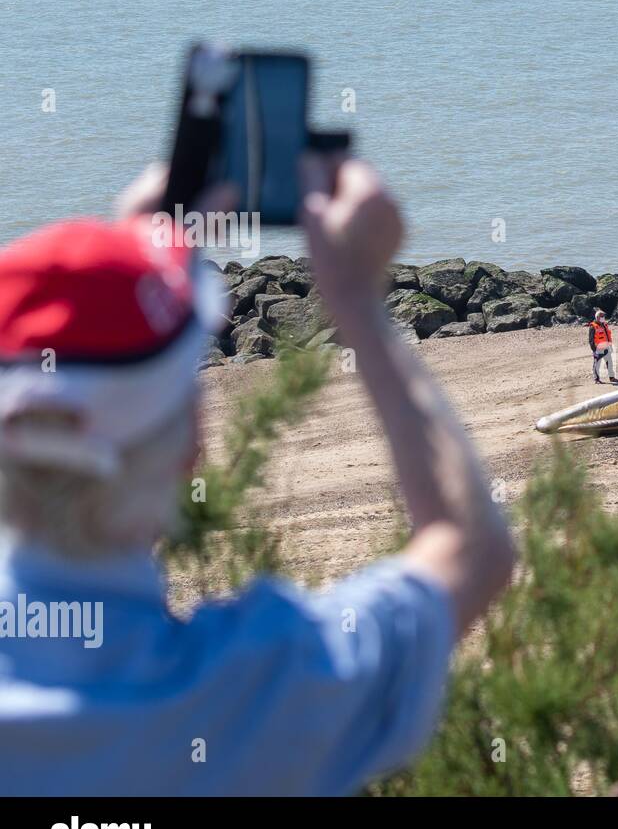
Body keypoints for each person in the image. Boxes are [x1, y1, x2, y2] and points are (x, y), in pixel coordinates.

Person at [0, 156, 515, 795]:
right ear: (193, 445)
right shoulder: (255, 698)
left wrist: (132, 267)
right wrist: (354, 298)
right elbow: (472, 547)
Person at [589, 308, 618, 383]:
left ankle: (612, 377)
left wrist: (610, 346)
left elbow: (607, 336)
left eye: (603, 316)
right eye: (602, 316)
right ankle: (597, 379)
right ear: (597, 317)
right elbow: (591, 340)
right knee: (597, 364)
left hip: (606, 347)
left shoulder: (604, 325)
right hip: (598, 349)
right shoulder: (593, 326)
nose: (603, 318)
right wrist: (594, 350)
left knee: (609, 363)